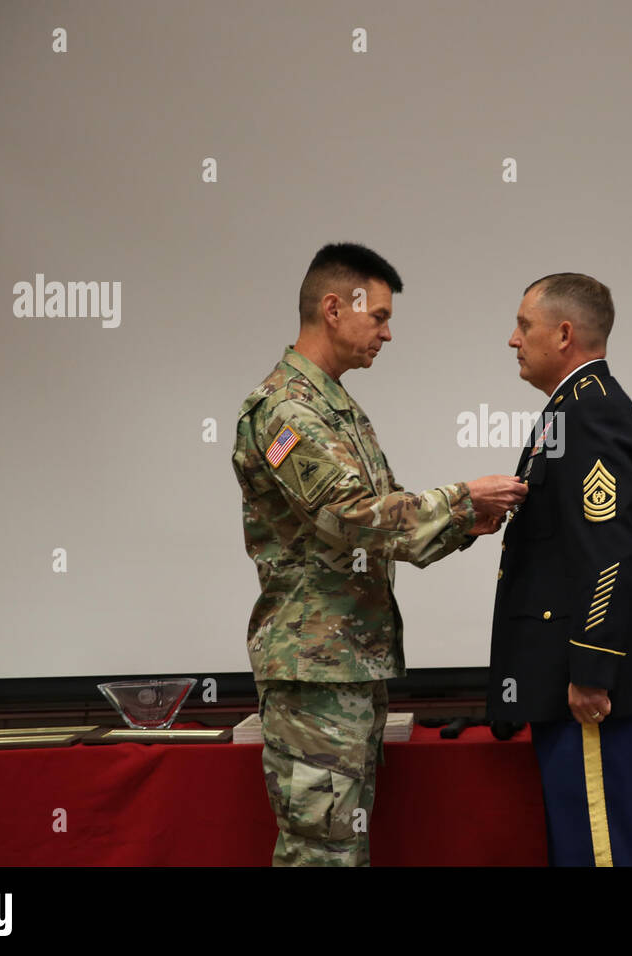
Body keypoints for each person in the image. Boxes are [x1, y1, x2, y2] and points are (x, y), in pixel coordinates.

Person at [232, 242, 525, 866]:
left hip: (349, 668)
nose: (388, 334)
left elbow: (388, 522)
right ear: (334, 308)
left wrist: (469, 521)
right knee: (321, 855)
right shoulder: (285, 413)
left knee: (343, 847)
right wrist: (461, 497)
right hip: (315, 676)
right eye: (380, 317)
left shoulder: (338, 409)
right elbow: (352, 516)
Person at [486, 272, 632, 866]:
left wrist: (592, 668)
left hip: (590, 693)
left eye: (524, 326)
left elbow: (608, 551)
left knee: (599, 855)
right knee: (582, 850)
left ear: (564, 333)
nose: (513, 340)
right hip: (571, 686)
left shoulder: (590, 413)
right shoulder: (568, 410)